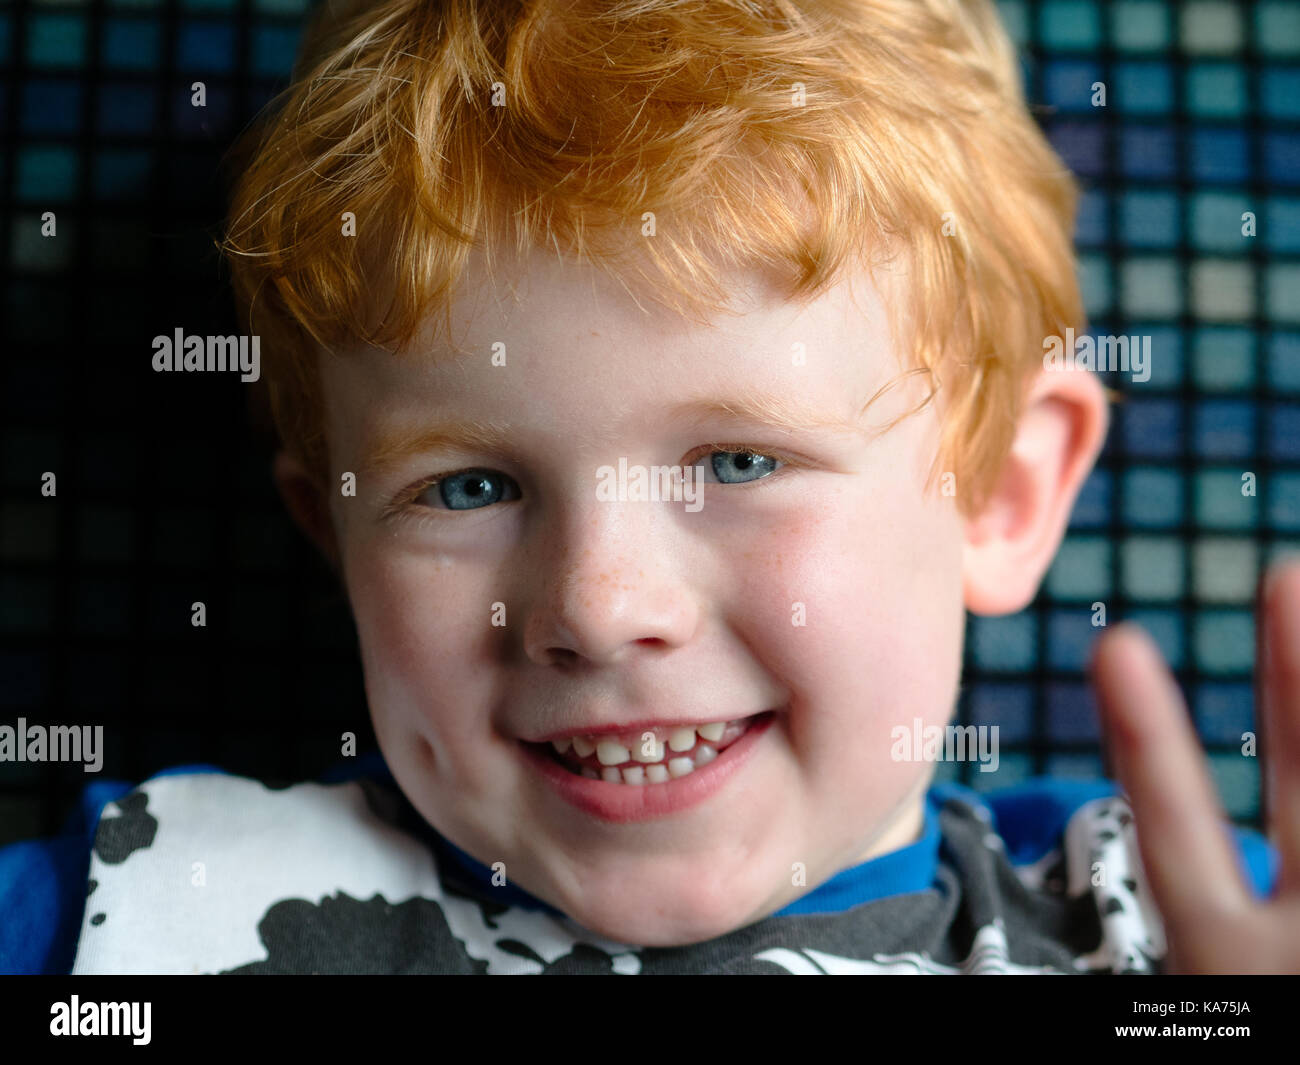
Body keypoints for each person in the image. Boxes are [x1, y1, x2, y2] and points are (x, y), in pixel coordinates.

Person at [2, 0, 1292, 974]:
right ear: (332, 533)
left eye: (741, 461)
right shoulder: (127, 922)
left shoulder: (1174, 934)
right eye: (466, 488)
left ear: (1002, 495)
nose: (601, 606)